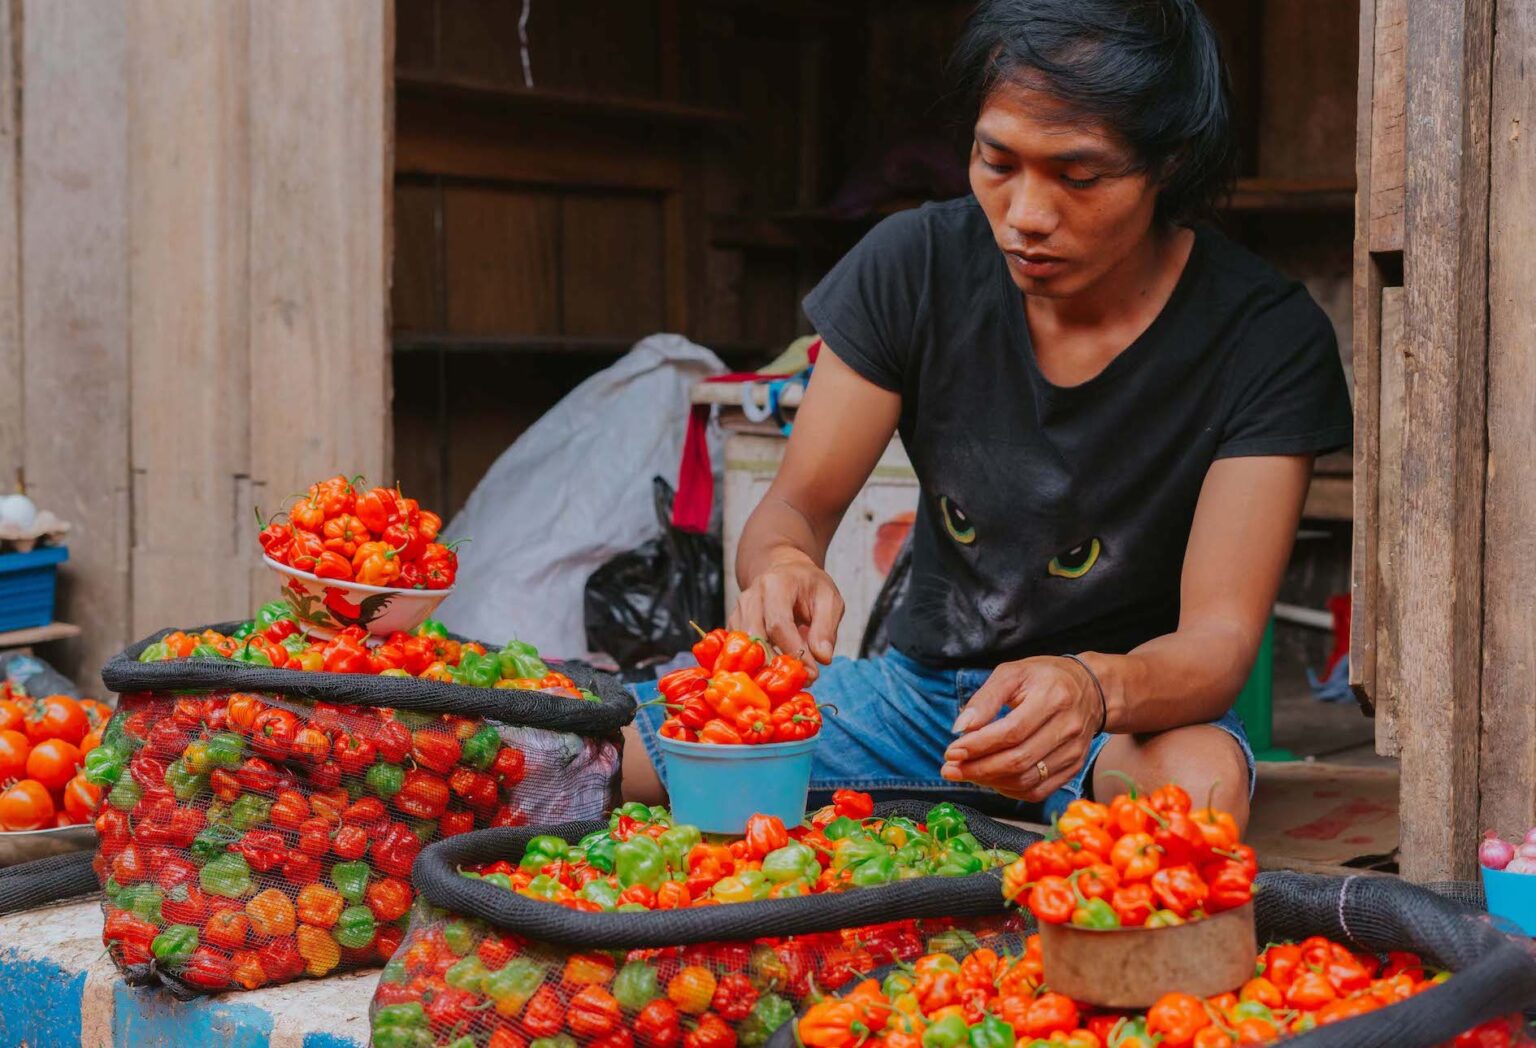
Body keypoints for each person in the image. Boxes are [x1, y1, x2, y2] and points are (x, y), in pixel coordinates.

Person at [624, 0, 1351, 830]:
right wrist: (784, 564)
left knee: (1193, 794)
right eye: (996, 161)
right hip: (909, 706)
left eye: (1079, 176)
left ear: (1169, 166)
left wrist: (1089, 688)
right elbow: (793, 509)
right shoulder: (913, 266)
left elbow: (1219, 641)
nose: (1027, 215)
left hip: (1111, 719)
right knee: (609, 751)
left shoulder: (1265, 337)